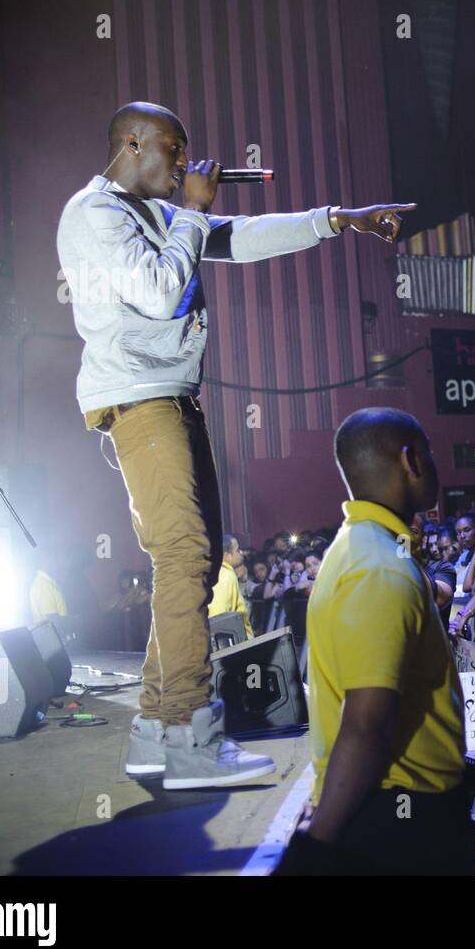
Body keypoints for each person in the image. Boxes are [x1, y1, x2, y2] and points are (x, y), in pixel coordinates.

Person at [59, 101, 413, 788]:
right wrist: (192, 210)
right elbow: (161, 293)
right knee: (184, 553)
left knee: (191, 562)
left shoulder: (163, 213)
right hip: (139, 397)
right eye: (172, 146)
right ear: (131, 143)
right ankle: (190, 732)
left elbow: (244, 235)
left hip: (171, 395)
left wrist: (342, 219)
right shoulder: (94, 215)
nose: (185, 161)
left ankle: (159, 729)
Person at [274, 407, 475, 875]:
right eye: (430, 453)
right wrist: (318, 845)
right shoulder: (381, 568)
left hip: (386, 806)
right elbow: (367, 722)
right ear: (411, 461)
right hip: (405, 818)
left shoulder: (353, 547)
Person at [209, 534, 251, 639]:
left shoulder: (215, 572)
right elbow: (217, 616)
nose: (241, 553)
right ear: (227, 556)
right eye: (237, 550)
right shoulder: (224, 575)